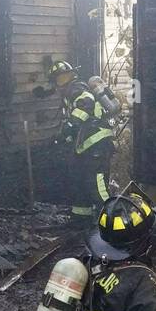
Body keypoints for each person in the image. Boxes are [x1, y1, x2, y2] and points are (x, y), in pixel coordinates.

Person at [48, 61, 116, 225]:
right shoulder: (70, 92)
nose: (61, 82)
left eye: (63, 77)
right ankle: (81, 219)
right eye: (58, 79)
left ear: (70, 76)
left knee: (97, 185)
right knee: (79, 181)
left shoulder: (76, 88)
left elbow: (87, 101)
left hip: (98, 142)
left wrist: (70, 126)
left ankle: (111, 222)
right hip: (87, 145)